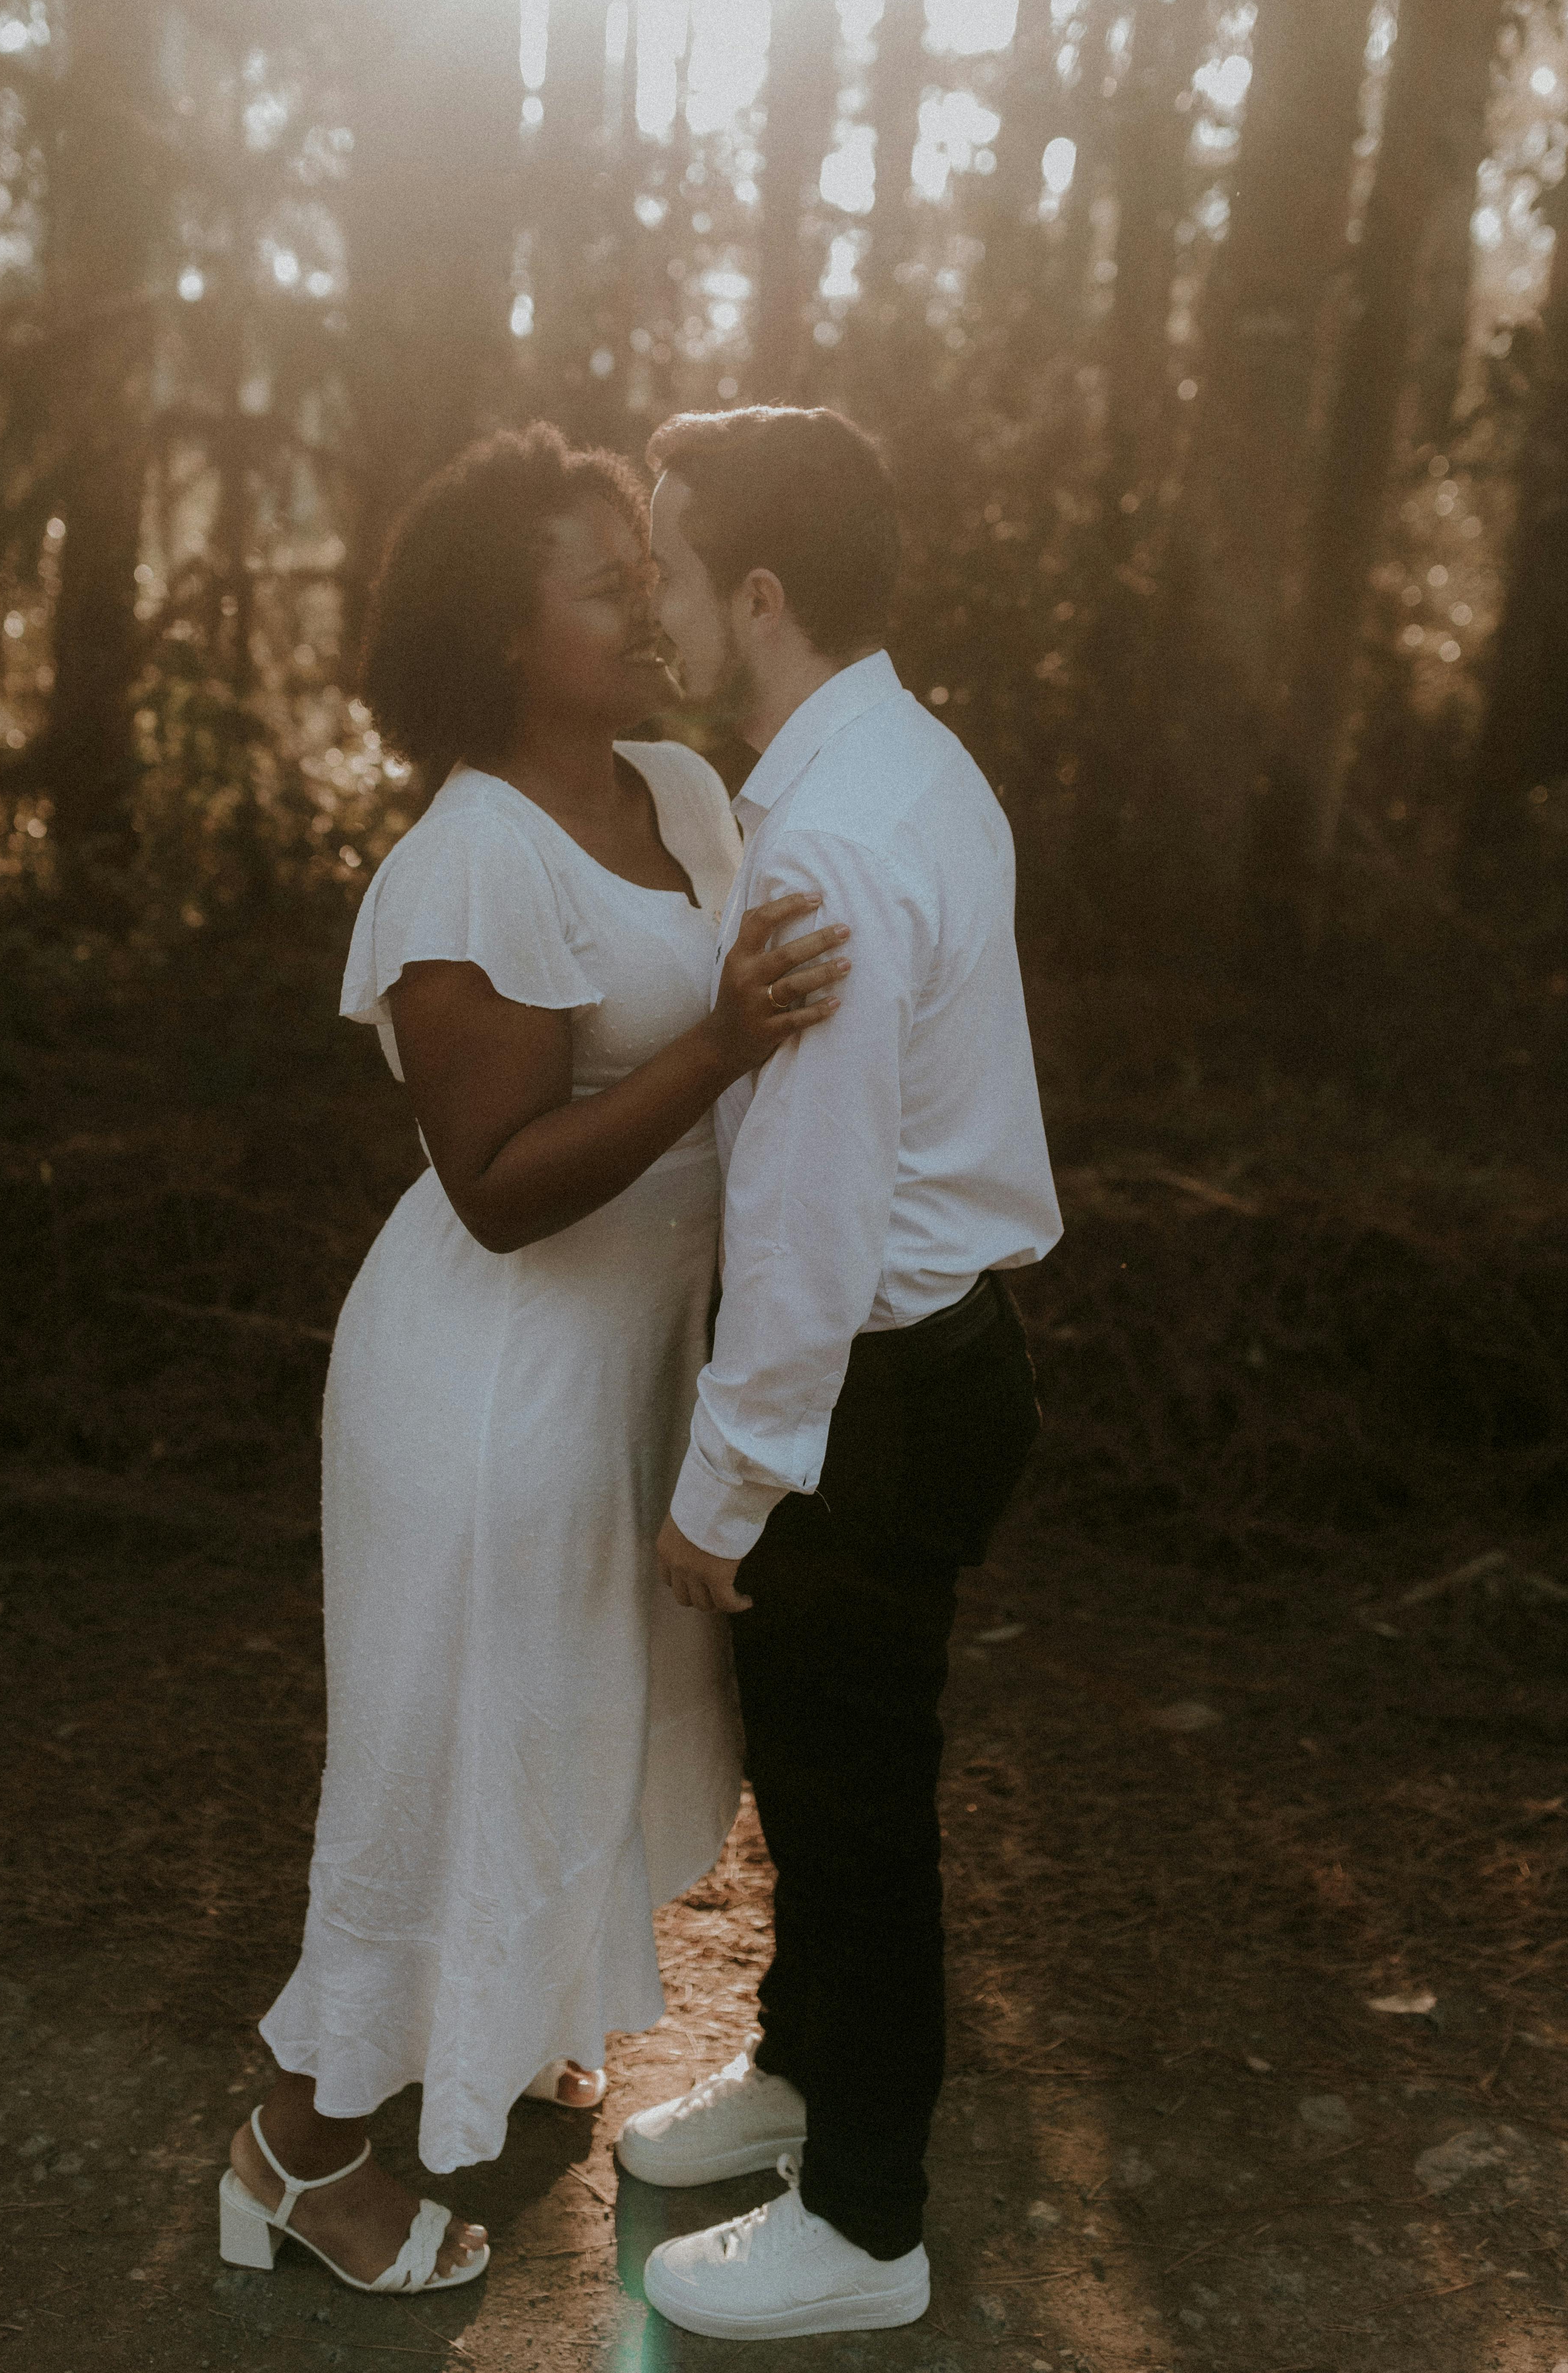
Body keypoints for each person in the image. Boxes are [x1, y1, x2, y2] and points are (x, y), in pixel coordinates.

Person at [219, 423, 851, 2300]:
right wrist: (719, 1053)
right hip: (488, 1384)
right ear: (506, 638)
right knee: (445, 1764)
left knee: (572, 1736)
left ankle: (490, 2041)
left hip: (633, 1358)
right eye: (607, 583)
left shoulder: (672, 782)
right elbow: (490, 1189)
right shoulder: (459, 865)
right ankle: (289, 2154)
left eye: (648, 568)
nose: (649, 607)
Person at [615, 406, 1062, 2343]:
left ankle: (864, 2222)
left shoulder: (828, 835)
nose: (649, 606)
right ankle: (798, 2073)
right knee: (822, 1780)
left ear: (760, 594)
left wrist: (726, 1493)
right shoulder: (905, 753)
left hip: (868, 1391)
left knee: (856, 1805)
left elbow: (807, 1215)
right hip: (926, 1366)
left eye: (665, 567)